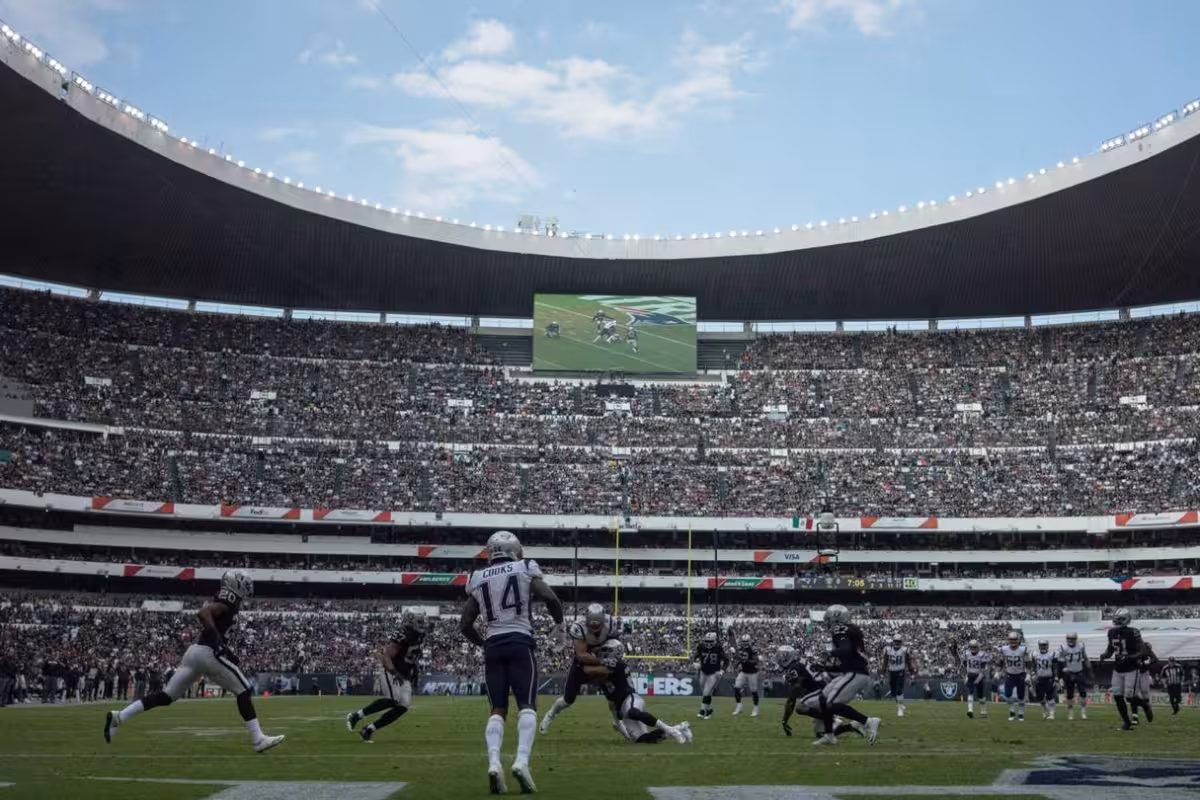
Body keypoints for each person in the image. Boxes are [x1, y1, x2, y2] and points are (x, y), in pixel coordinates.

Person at [103, 570, 284, 753]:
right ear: (235, 584)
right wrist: (219, 645)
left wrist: (226, 649)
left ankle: (120, 716)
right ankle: (258, 739)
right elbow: (204, 613)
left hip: (194, 653)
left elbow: (216, 626)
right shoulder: (228, 598)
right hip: (207, 653)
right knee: (244, 690)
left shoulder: (229, 600)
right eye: (244, 583)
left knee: (167, 696)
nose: (247, 587)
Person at [460, 531, 564, 795]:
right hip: (520, 641)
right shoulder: (524, 567)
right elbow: (550, 597)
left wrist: (485, 643)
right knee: (527, 705)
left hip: (494, 645)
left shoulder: (477, 577)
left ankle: (494, 763)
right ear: (515, 550)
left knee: (497, 709)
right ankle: (521, 762)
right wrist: (560, 624)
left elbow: (465, 625)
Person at [583, 639, 691, 744]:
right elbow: (613, 708)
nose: (604, 655)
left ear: (617, 653)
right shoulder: (603, 680)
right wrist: (624, 732)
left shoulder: (619, 665)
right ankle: (680, 728)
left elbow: (604, 667)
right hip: (622, 707)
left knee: (632, 712)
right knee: (641, 739)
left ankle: (671, 730)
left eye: (608, 651)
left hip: (631, 698)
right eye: (604, 651)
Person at [346, 609, 429, 743]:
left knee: (403, 706)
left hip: (404, 673)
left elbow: (413, 657)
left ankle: (368, 730)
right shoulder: (402, 634)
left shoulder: (420, 635)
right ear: (410, 620)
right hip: (392, 670)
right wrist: (393, 672)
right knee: (392, 699)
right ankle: (356, 716)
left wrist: (415, 673)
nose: (422, 623)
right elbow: (386, 656)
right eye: (419, 620)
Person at [540, 603, 622, 734]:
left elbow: (616, 645)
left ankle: (618, 723)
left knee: (612, 696)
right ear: (587, 619)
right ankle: (551, 714)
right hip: (582, 664)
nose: (594, 627)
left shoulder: (611, 624)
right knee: (568, 699)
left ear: (603, 619)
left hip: (602, 660)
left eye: (597, 624)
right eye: (592, 624)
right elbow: (581, 655)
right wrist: (602, 660)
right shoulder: (579, 627)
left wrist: (609, 657)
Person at [814, 605, 880, 746]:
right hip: (852, 671)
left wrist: (830, 653)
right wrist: (825, 667)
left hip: (856, 673)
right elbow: (848, 658)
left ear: (836, 618)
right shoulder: (852, 629)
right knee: (823, 698)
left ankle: (868, 721)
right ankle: (829, 735)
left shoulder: (841, 629)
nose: (828, 622)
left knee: (832, 703)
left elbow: (845, 649)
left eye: (829, 619)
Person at [777, 645, 863, 742]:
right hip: (825, 690)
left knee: (800, 707)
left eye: (782, 655)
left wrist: (785, 720)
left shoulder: (795, 667)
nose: (780, 658)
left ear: (789, 656)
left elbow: (793, 697)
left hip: (822, 692)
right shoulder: (800, 663)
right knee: (821, 734)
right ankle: (852, 726)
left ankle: (833, 719)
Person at [1100, 607, 1148, 731]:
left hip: (1131, 669)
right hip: (1117, 670)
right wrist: (1104, 655)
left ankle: (1145, 705)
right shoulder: (1111, 632)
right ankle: (1126, 722)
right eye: (1117, 618)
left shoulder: (1133, 632)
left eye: (1120, 618)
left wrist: (1130, 657)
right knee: (1117, 696)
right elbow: (1110, 650)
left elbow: (1143, 651)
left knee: (1130, 697)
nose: (1118, 620)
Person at [950, 638, 992, 719]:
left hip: (978, 675)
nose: (973, 649)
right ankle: (970, 710)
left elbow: (983, 670)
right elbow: (964, 665)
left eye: (974, 647)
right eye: (972, 647)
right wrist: (965, 675)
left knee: (980, 696)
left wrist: (978, 679)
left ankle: (983, 711)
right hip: (970, 675)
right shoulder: (967, 654)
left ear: (977, 647)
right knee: (970, 692)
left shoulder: (981, 654)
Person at [1056, 632, 1091, 720]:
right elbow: (1060, 662)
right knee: (1070, 694)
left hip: (1079, 671)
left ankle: (1083, 710)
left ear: (1076, 639)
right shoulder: (1063, 647)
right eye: (1069, 639)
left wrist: (1090, 669)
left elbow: (1085, 658)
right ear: (1066, 639)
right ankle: (1070, 712)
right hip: (1069, 673)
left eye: (1072, 639)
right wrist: (1061, 674)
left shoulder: (1081, 646)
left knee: (1083, 692)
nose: (1071, 640)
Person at [693, 631, 727, 719]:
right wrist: (695, 662)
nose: (708, 644)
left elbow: (726, 660)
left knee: (706, 692)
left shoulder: (718, 648)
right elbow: (696, 656)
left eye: (710, 641)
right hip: (703, 672)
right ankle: (709, 711)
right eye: (707, 641)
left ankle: (702, 711)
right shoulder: (701, 646)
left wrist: (722, 671)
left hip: (714, 673)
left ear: (715, 641)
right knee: (706, 693)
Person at [881, 634, 913, 717]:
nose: (897, 643)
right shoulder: (888, 649)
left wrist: (911, 673)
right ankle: (900, 704)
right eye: (896, 641)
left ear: (901, 642)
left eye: (899, 641)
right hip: (891, 672)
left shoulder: (904, 650)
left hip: (900, 671)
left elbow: (909, 662)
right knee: (893, 692)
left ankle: (899, 708)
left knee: (899, 690)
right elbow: (885, 662)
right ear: (893, 641)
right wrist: (883, 673)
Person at [732, 634, 761, 717]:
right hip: (743, 672)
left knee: (753, 691)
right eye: (743, 641)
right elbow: (738, 659)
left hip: (752, 672)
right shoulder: (740, 649)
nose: (745, 643)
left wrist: (746, 660)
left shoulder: (753, 650)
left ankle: (756, 708)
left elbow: (756, 661)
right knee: (737, 687)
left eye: (746, 641)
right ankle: (739, 706)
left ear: (749, 641)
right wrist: (736, 663)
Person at [1129, 641, 1157, 726]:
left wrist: (1146, 663)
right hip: (1133, 673)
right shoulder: (1130, 646)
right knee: (1133, 695)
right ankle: (1135, 717)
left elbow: (1154, 659)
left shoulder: (1145, 646)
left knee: (1145, 693)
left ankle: (1147, 709)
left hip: (1144, 673)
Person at [1033, 640, 1057, 720]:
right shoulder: (1035, 654)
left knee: (1050, 696)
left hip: (1049, 677)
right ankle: (1045, 710)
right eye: (1041, 645)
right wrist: (1034, 675)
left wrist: (1056, 677)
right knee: (1040, 697)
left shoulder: (1051, 654)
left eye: (1044, 645)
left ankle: (1052, 713)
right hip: (1039, 678)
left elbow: (1055, 667)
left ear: (1047, 645)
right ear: (1039, 646)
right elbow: (1034, 666)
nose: (1043, 646)